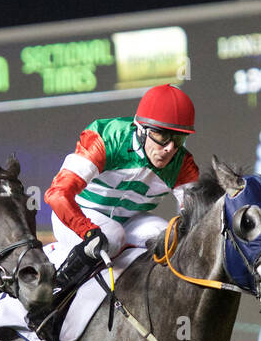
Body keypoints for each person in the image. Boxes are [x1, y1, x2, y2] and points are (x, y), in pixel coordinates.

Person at [44, 84, 200, 295]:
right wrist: (87, 230)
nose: (170, 148)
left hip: (130, 222)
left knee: (170, 239)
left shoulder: (182, 163)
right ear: (141, 128)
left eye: (178, 138)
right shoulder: (106, 138)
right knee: (112, 235)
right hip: (79, 216)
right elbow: (57, 194)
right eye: (162, 136)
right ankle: (52, 294)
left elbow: (197, 216)